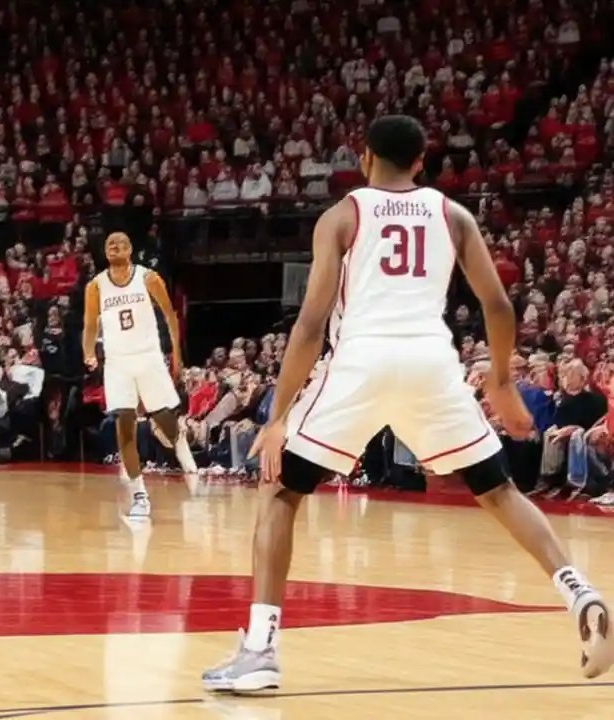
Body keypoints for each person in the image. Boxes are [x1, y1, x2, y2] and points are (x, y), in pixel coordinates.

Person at [201, 115, 613, 692]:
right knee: (498, 491)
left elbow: (312, 321)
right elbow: (497, 305)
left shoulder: (343, 214)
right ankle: (579, 592)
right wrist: (500, 380)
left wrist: (276, 418)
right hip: (430, 363)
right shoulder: (454, 215)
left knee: (280, 492)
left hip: (361, 362)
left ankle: (260, 649)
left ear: (364, 157)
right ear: (422, 162)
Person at [82, 232, 198, 519]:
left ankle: (178, 436)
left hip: (148, 356)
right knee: (124, 423)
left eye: (121, 242)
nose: (115, 246)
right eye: (110, 243)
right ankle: (139, 496)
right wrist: (89, 352)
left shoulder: (148, 278)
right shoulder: (95, 286)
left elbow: (170, 315)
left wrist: (177, 354)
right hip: (117, 363)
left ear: (131, 249)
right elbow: (89, 324)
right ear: (104, 251)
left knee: (163, 419)